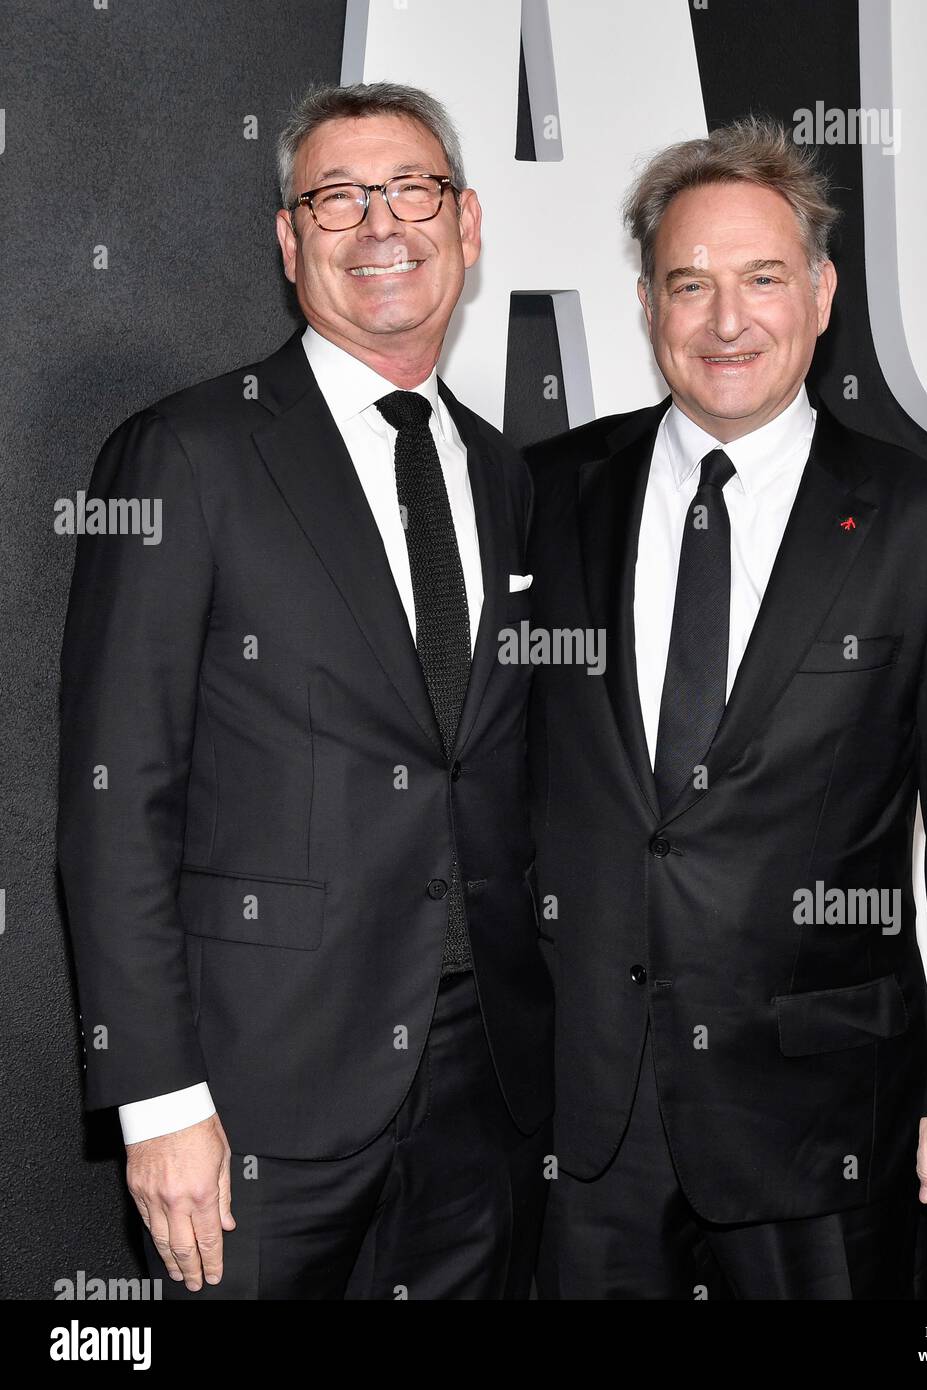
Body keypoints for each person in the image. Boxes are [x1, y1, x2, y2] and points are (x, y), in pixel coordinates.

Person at [524, 116, 927, 1299]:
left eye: (760, 279)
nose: (725, 320)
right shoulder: (545, 496)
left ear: (818, 293)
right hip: (585, 1116)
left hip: (822, 1112)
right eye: (688, 283)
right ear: (648, 303)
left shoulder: (926, 524)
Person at [57, 81, 552, 1300]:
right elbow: (116, 797)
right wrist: (157, 1101)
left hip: (483, 1086)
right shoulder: (189, 452)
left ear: (468, 223)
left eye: (412, 191)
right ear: (290, 241)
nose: (379, 224)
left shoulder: (502, 473)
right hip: (252, 1099)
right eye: (336, 197)